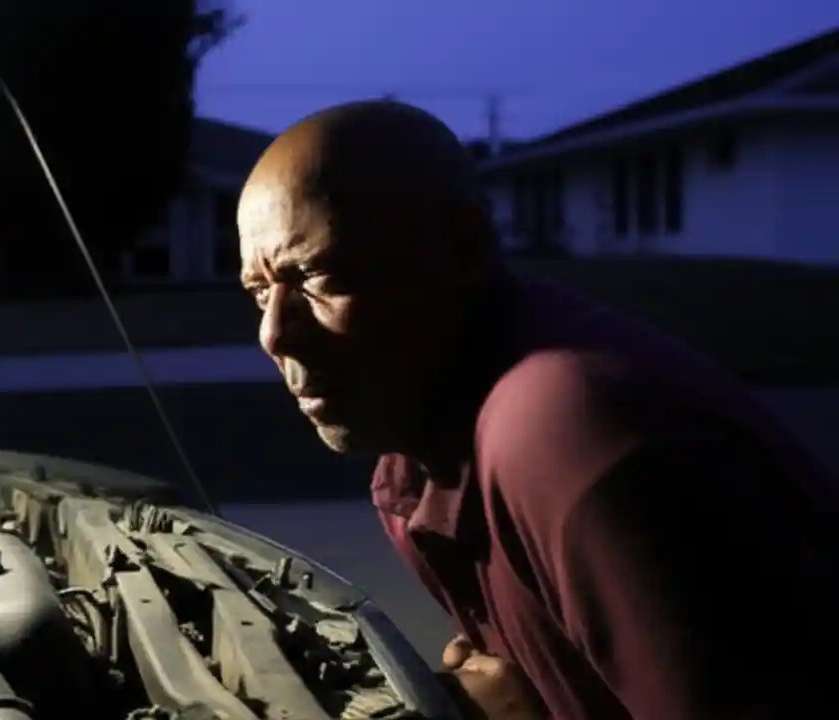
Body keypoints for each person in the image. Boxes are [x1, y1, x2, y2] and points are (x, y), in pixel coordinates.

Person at [236, 99, 839, 720]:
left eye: (319, 277)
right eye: (258, 293)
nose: (274, 334)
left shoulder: (566, 429)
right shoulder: (413, 450)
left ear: (464, 249)